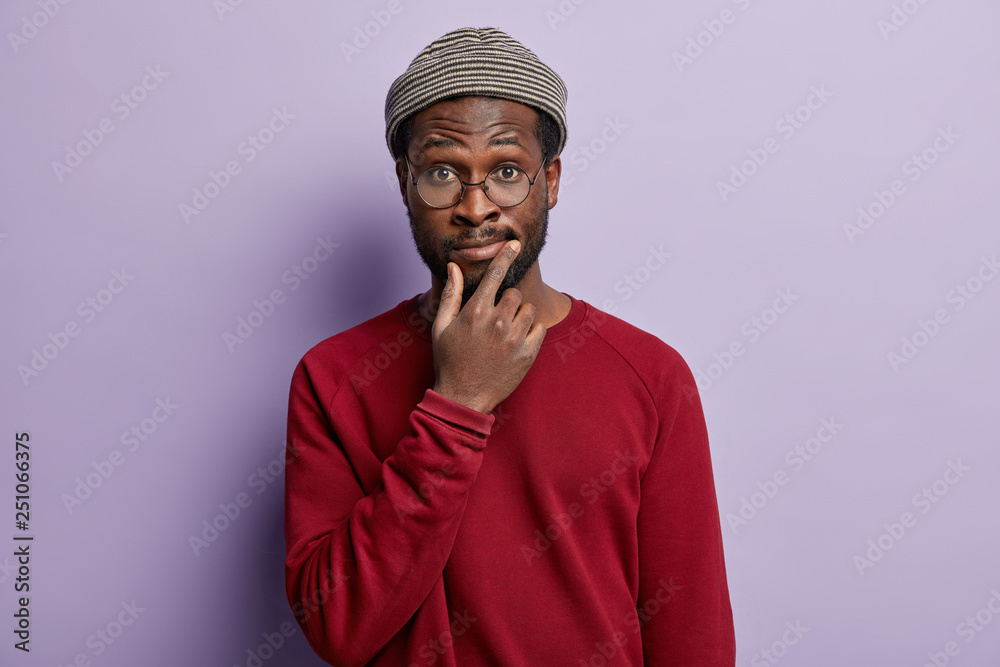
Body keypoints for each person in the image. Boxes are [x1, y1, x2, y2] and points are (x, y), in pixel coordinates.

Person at [284, 26, 735, 666]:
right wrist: (458, 403)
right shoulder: (332, 377)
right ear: (404, 182)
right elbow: (339, 628)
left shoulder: (652, 375)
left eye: (505, 171)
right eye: (442, 172)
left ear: (548, 181)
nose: (475, 206)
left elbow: (694, 633)